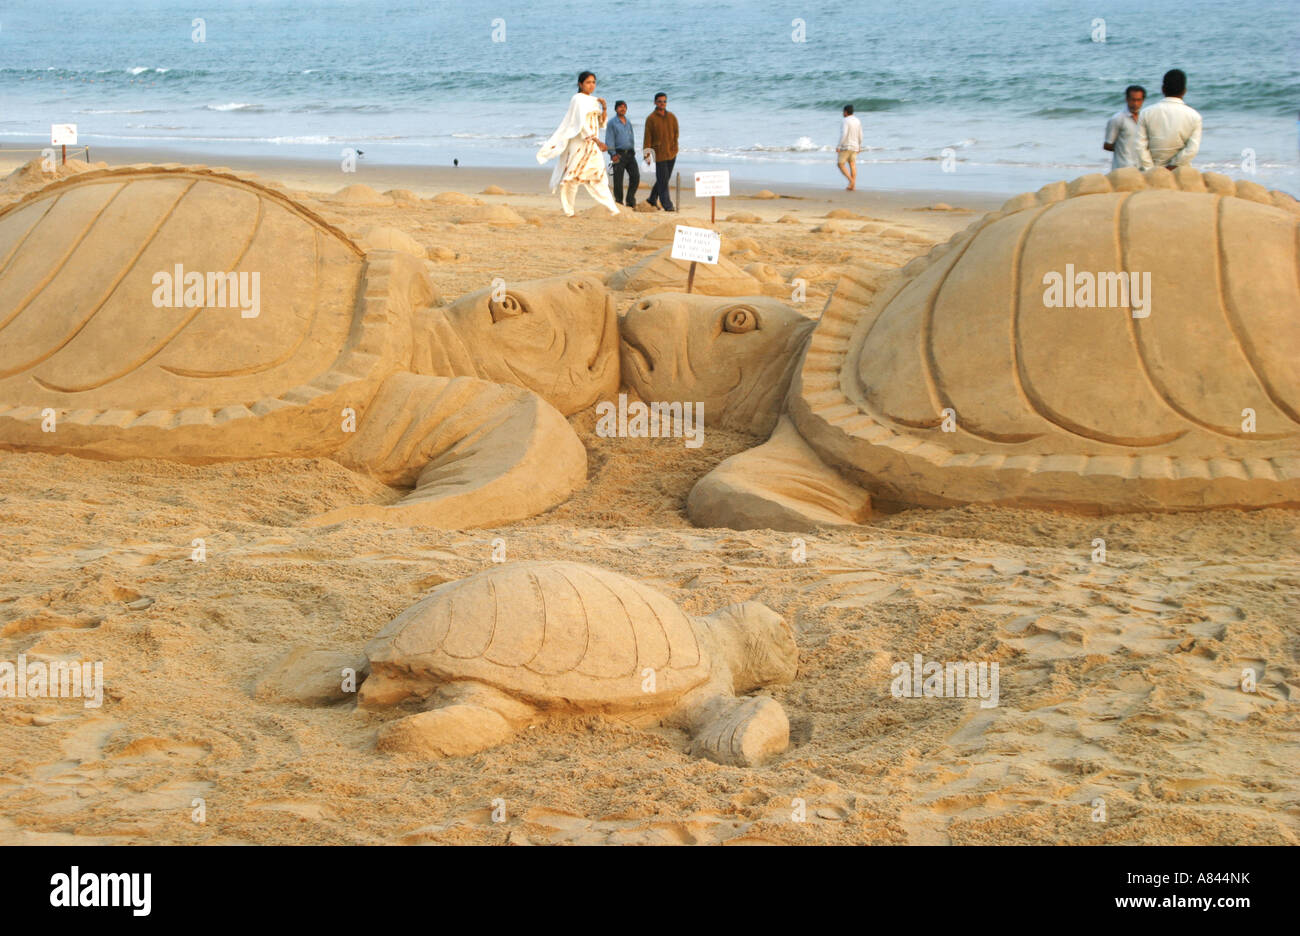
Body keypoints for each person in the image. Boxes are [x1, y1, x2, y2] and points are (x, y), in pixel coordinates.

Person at [536, 71, 620, 216]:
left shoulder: (594, 101)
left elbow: (600, 124)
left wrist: (604, 108)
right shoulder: (577, 99)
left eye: (593, 82)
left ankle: (613, 209)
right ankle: (569, 211)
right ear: (580, 84)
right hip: (581, 144)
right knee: (572, 179)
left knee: (599, 175)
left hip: (592, 145)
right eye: (588, 82)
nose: (591, 85)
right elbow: (580, 124)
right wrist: (597, 141)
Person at [1138, 69, 1202, 170]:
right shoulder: (1194, 116)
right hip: (1180, 171)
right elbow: (1192, 149)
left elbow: (1140, 147)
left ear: (1163, 89)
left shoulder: (1146, 113)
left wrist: (1150, 169)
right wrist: (1173, 165)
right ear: (1184, 91)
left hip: (1150, 172)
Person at [643, 92, 679, 211]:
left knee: (663, 179)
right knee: (663, 182)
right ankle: (668, 206)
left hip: (671, 153)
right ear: (655, 102)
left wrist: (675, 148)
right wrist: (647, 154)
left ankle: (652, 199)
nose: (662, 103)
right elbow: (647, 138)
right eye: (659, 101)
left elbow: (676, 134)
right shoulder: (651, 119)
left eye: (664, 101)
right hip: (658, 155)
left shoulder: (672, 117)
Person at [605, 100, 639, 208]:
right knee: (618, 180)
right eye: (620, 107)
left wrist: (633, 150)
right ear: (616, 109)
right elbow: (609, 139)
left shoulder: (628, 121)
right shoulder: (612, 123)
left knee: (635, 176)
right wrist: (612, 153)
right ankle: (619, 202)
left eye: (624, 107)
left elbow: (631, 137)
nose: (622, 109)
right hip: (618, 154)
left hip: (630, 154)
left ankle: (630, 200)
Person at [1103, 85, 1145, 170]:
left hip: (1141, 168)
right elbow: (1107, 145)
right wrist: (1123, 147)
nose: (1135, 104)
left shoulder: (1145, 118)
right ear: (1127, 99)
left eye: (1138, 100)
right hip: (1122, 168)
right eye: (1133, 100)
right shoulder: (1117, 119)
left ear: (1142, 100)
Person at [836, 104, 862, 190]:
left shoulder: (845, 120)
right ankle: (852, 186)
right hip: (855, 146)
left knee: (840, 164)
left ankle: (851, 181)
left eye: (843, 112)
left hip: (846, 145)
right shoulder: (857, 120)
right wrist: (859, 145)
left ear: (846, 112)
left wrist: (839, 145)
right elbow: (860, 134)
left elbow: (844, 134)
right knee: (852, 164)